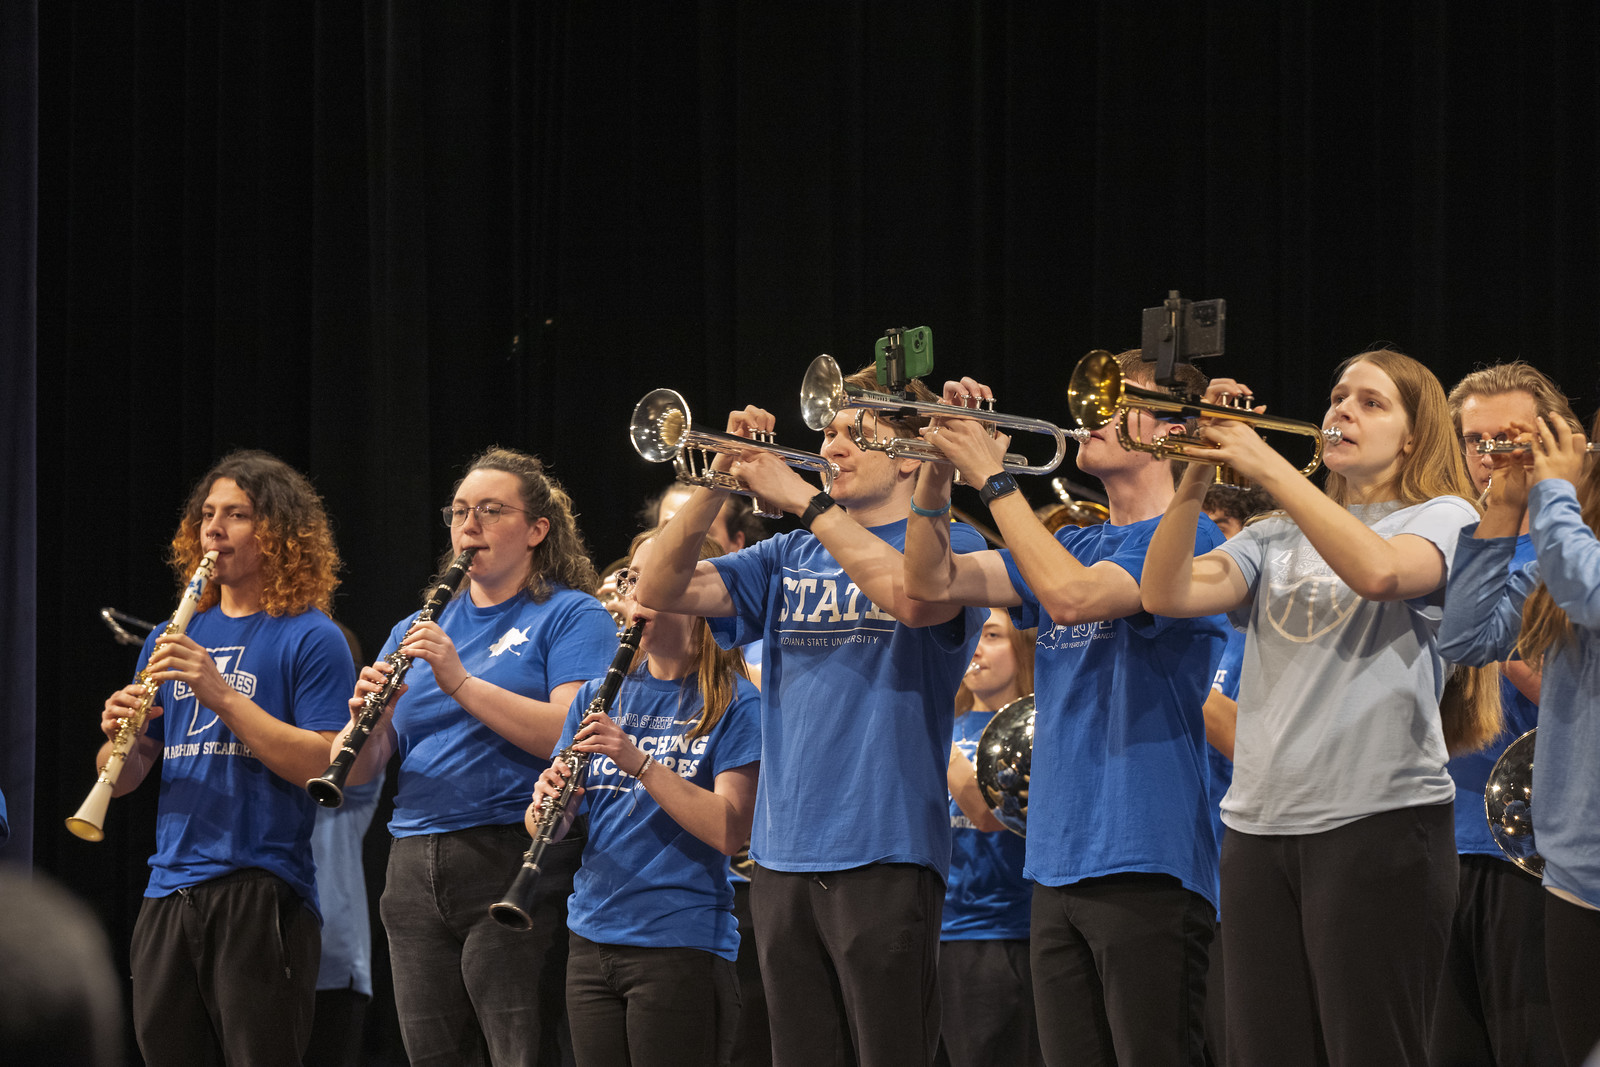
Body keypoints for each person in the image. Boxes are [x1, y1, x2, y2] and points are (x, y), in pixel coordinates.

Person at [1140, 348, 1501, 1065]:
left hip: (1379, 824)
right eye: (1338, 396)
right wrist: (1199, 465)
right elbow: (1165, 593)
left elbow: (1380, 570)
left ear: (1413, 434)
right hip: (1258, 827)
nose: (1342, 411)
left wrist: (1267, 465)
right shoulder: (1273, 535)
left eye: (1371, 401)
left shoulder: (1448, 515)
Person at [633, 368, 986, 1067]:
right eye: (829, 430)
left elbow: (915, 599)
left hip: (886, 848)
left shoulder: (950, 544)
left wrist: (803, 497)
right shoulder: (786, 555)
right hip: (783, 856)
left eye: (860, 433)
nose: (834, 445)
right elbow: (657, 585)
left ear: (912, 456)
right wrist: (718, 485)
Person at [902, 351, 1230, 1067]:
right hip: (1055, 864)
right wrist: (937, 464)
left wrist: (993, 477)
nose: (1095, 416)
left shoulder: (1189, 539)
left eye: (1122, 403)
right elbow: (929, 580)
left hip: (1147, 857)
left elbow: (1075, 597)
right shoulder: (1071, 542)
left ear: (1173, 432)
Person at [336, 446, 617, 1067]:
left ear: (538, 530)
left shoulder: (573, 615)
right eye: (460, 511)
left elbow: (573, 737)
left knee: (524, 1051)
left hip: (515, 852)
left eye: (491, 510)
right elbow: (357, 767)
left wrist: (460, 679)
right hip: (412, 861)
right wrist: (369, 721)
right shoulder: (417, 625)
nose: (470, 525)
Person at [94, 449, 356, 1065]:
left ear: (280, 535)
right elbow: (131, 773)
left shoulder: (312, 635)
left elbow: (323, 763)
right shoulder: (170, 636)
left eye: (236, 515)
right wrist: (116, 739)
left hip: (261, 888)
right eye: (208, 514)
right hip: (169, 890)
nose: (214, 528)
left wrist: (220, 694)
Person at [532, 531, 761, 1067]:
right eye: (633, 580)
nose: (637, 594)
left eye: (655, 578)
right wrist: (548, 806)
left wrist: (638, 761)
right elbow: (551, 821)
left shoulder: (735, 702)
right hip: (590, 938)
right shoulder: (597, 696)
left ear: (696, 592)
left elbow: (731, 830)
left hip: (678, 942)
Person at [1439, 408, 1600, 1066]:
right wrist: (1503, 510)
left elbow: (1591, 595)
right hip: (1575, 876)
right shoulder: (1569, 544)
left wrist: (1555, 494)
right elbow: (1467, 635)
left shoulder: (1573, 548)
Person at [938, 608, 1041, 1067]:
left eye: (994, 635)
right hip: (935, 936)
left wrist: (924, 725)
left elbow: (992, 817)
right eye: (973, 636)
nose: (976, 647)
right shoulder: (948, 724)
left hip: (1005, 933)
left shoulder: (1037, 729)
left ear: (1023, 648)